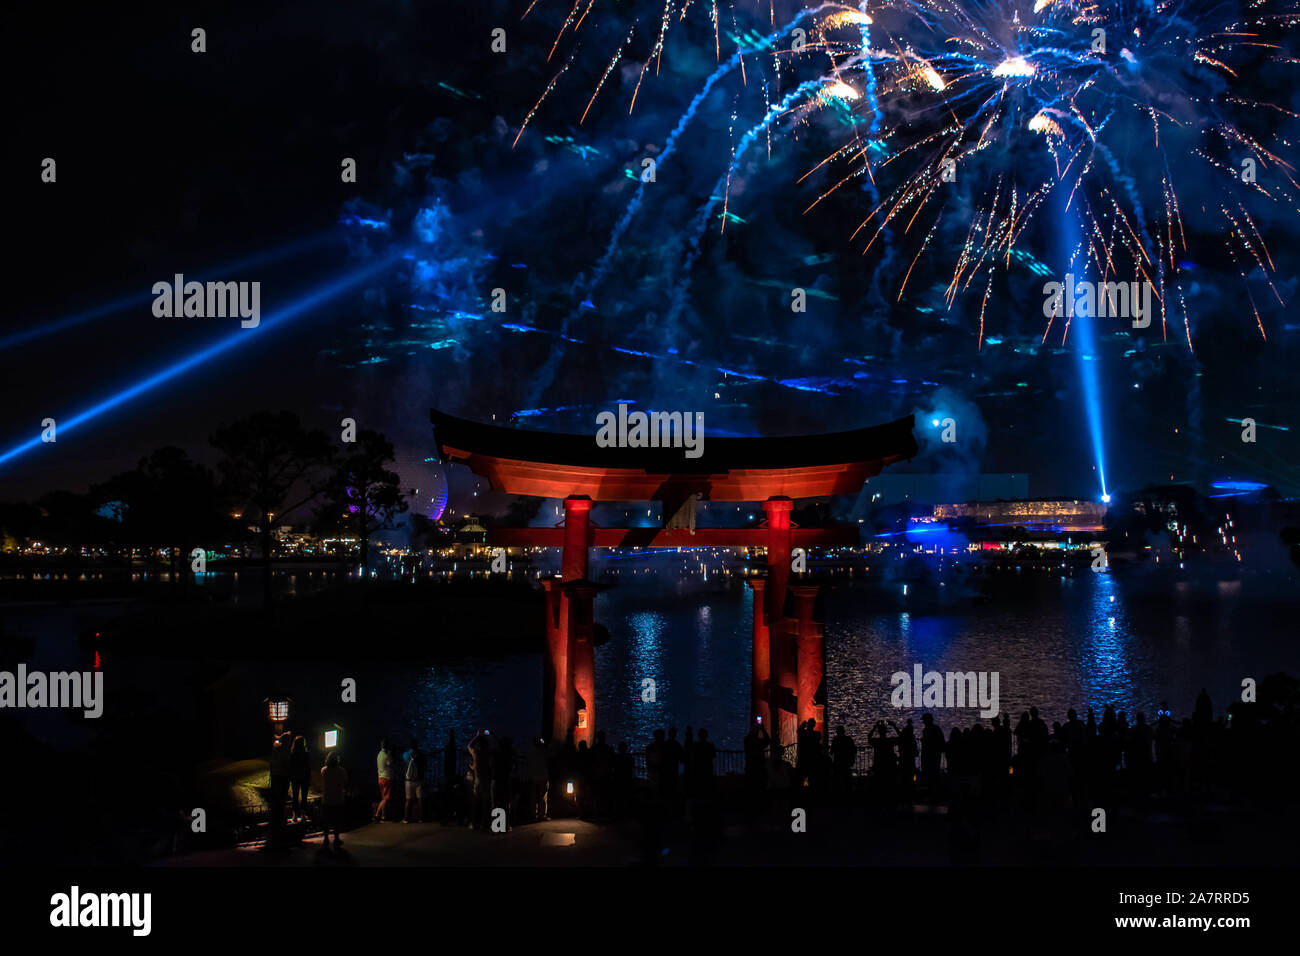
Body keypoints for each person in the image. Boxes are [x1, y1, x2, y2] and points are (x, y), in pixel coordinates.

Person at [320, 751, 348, 849]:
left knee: (326, 821)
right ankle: (336, 838)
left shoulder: (324, 770)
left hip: (327, 799)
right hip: (338, 799)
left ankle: (326, 839)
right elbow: (345, 782)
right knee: (337, 821)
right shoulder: (341, 771)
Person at [269, 731, 292, 839]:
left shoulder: (276, 747)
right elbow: (286, 764)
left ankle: (275, 821)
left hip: (275, 775)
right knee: (281, 799)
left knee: (276, 799)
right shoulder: (285, 751)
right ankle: (280, 821)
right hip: (282, 776)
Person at [403, 738, 426, 823]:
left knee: (408, 800)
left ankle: (406, 818)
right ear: (417, 745)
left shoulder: (405, 754)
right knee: (420, 799)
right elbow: (424, 765)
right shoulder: (420, 754)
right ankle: (421, 818)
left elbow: (404, 765)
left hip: (408, 781)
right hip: (419, 780)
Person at [289, 735, 311, 823]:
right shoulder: (306, 754)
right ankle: (303, 815)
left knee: (295, 797)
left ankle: (294, 816)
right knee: (304, 797)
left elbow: (291, 766)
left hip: (295, 777)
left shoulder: (293, 754)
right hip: (304, 777)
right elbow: (308, 767)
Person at [374, 737, 394, 823]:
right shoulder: (387, 755)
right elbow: (390, 763)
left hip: (380, 778)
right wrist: (390, 754)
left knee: (383, 797)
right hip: (387, 778)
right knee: (386, 798)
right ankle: (377, 815)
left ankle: (383, 816)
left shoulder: (379, 754)